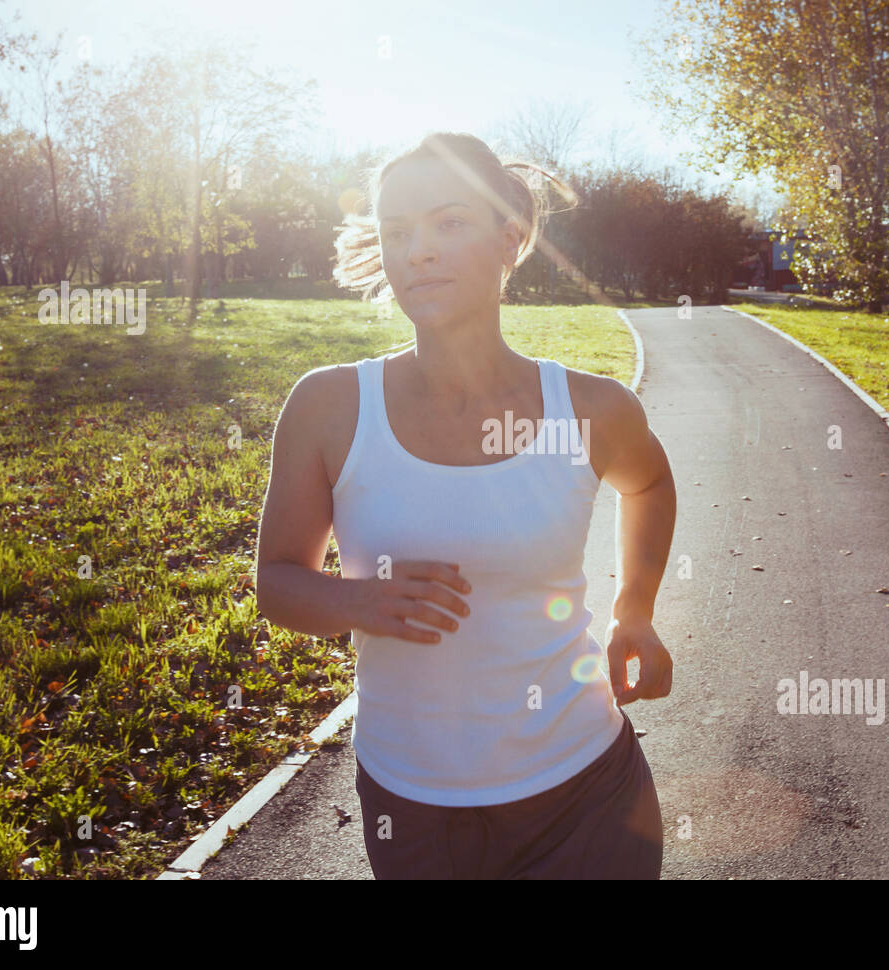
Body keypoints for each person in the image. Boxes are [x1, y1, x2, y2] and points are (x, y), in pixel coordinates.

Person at [254, 131, 675, 879]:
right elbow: (278, 582)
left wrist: (633, 611)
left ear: (509, 240)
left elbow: (648, 485)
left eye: (449, 222)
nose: (418, 250)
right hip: (413, 808)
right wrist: (363, 603)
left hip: (588, 791)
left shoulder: (589, 409)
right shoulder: (328, 406)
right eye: (397, 231)